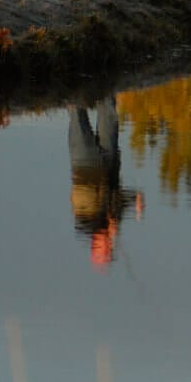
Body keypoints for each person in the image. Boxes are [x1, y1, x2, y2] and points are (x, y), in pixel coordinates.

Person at [68, 97, 144, 270]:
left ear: (95, 246)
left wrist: (107, 225)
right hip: (109, 165)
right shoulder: (111, 223)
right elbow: (117, 200)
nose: (110, 246)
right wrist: (135, 201)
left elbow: (93, 218)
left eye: (106, 250)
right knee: (108, 107)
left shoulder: (84, 226)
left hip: (84, 163)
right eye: (110, 250)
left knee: (76, 108)